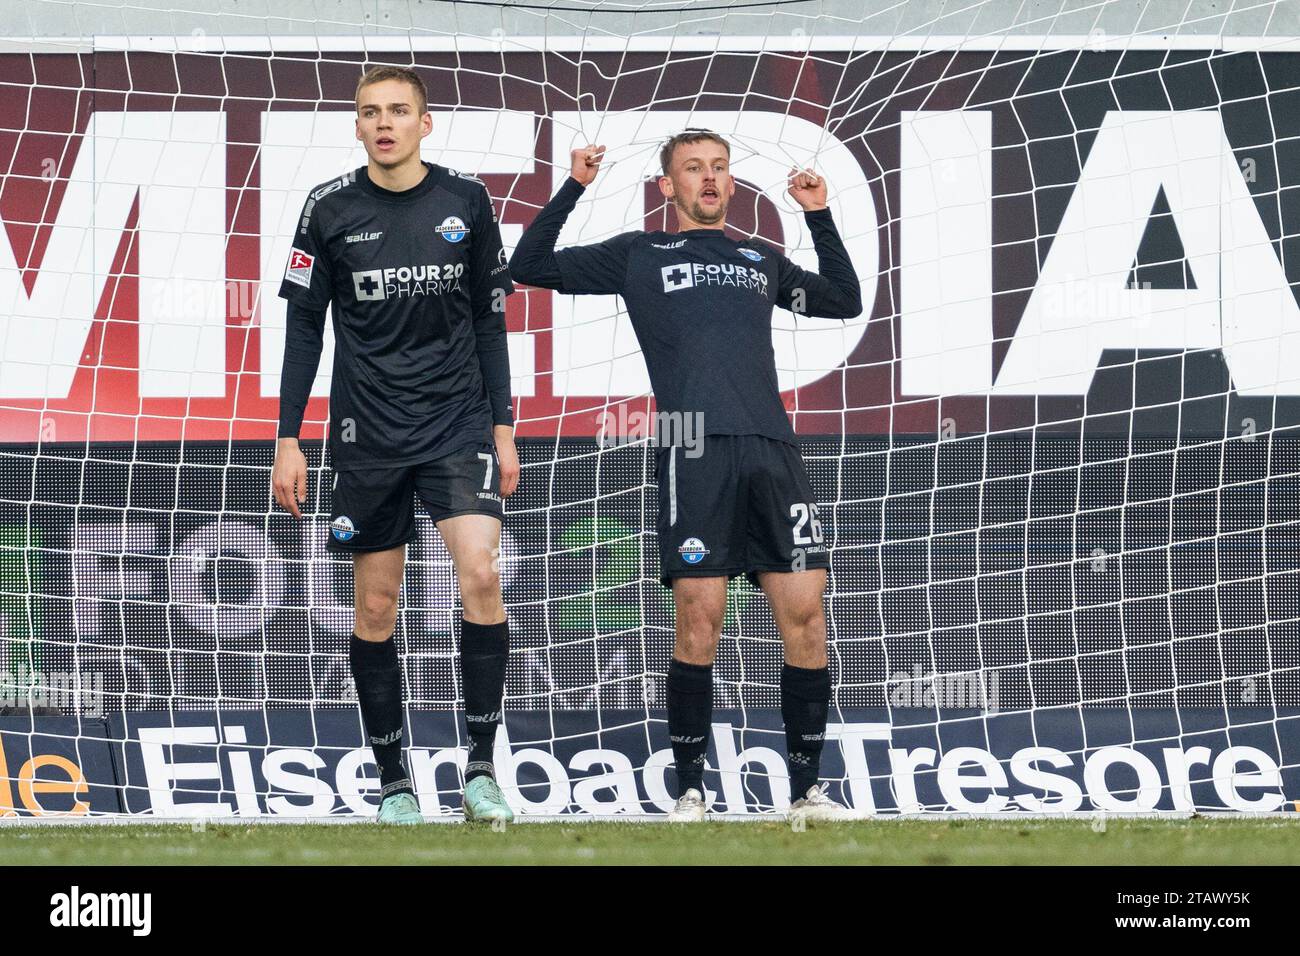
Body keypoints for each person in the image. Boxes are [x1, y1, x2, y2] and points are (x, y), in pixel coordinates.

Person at [510, 130, 862, 821]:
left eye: (719, 168)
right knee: (699, 623)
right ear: (667, 187)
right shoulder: (641, 253)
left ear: (732, 185)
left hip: (772, 449)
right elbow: (530, 263)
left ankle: (806, 792)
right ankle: (691, 792)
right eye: (693, 169)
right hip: (692, 447)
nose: (709, 179)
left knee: (807, 620)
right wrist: (575, 185)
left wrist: (817, 214)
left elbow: (844, 299)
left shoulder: (760, 257)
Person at [272, 65, 517, 825]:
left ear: (425, 122)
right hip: (366, 435)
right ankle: (395, 783)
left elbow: (488, 319)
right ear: (357, 125)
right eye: (370, 112)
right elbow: (305, 327)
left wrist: (503, 425)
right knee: (376, 606)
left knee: (480, 573)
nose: (384, 123)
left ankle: (481, 771)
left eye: (399, 110)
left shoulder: (466, 201)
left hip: (457, 424)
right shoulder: (328, 208)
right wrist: (288, 438)